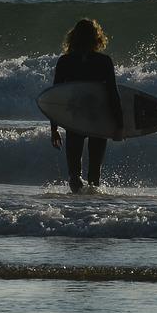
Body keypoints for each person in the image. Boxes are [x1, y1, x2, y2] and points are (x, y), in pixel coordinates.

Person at [50, 18, 124, 193]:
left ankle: (77, 210)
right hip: (99, 118)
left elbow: (55, 98)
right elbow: (113, 94)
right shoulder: (104, 61)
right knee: (94, 175)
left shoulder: (65, 61)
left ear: (73, 37)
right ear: (96, 38)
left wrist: (54, 128)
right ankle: (90, 209)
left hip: (75, 118)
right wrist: (119, 125)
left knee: (74, 174)